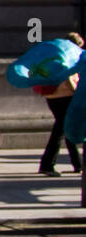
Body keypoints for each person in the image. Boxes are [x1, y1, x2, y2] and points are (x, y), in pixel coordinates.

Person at [36, 32, 84, 176]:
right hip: (65, 96)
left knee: (64, 129)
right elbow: (68, 76)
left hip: (53, 96)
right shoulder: (68, 55)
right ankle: (47, 165)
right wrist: (77, 93)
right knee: (59, 132)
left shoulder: (55, 53)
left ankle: (78, 164)